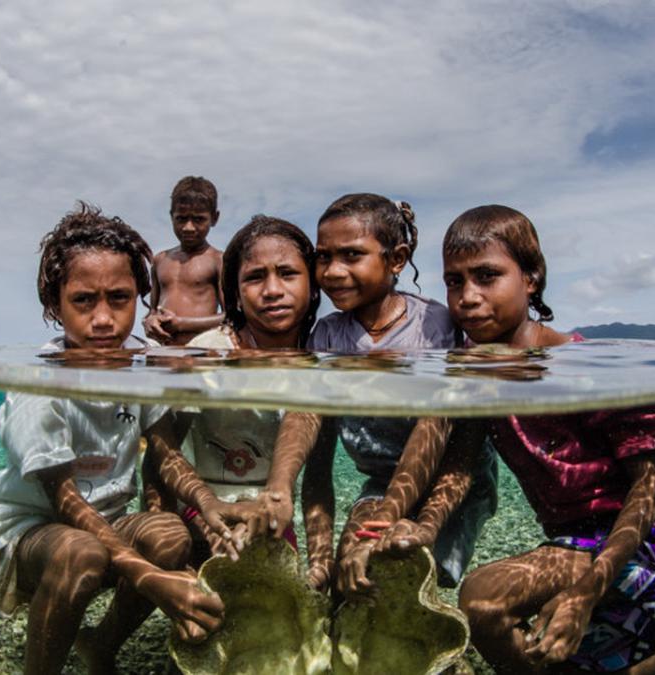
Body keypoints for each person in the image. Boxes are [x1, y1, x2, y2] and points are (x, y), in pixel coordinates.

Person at [441, 205, 655, 674]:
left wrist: (586, 591)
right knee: (555, 659)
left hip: (653, 546)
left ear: (531, 279)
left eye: (487, 276)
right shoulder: (479, 375)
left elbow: (651, 485)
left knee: (483, 600)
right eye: (454, 281)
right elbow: (460, 466)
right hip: (578, 546)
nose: (467, 297)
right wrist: (418, 527)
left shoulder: (591, 368)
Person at [0, 202, 223, 674]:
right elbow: (64, 500)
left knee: (170, 534)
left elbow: (166, 453)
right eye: (84, 300)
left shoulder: (141, 364)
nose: (103, 319)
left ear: (139, 298)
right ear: (55, 305)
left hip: (106, 525)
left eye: (119, 298)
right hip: (33, 533)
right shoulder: (38, 384)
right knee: (79, 551)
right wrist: (148, 577)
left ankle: (100, 645)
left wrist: (210, 505)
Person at [250, 193, 498, 593]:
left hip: (449, 483)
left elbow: (442, 429)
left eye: (352, 255)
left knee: (397, 571)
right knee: (351, 575)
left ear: (397, 259)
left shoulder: (433, 327)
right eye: (324, 257)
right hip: (382, 482)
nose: (333, 271)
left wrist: (390, 517)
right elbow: (309, 426)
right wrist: (281, 490)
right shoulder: (328, 336)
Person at [143, 214, 320, 563]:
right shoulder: (208, 353)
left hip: (271, 510)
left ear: (313, 286)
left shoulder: (319, 354)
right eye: (254, 277)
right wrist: (164, 522)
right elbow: (162, 450)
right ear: (235, 295)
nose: (272, 290)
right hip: (200, 505)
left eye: (287, 273)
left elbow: (315, 467)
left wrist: (319, 559)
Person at [142, 176, 225, 345]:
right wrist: (149, 321)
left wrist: (181, 324)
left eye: (199, 219)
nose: (188, 227)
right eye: (181, 218)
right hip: (163, 351)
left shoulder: (218, 260)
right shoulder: (160, 260)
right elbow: (152, 311)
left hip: (201, 350)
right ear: (171, 216)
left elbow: (232, 317)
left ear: (214, 218)